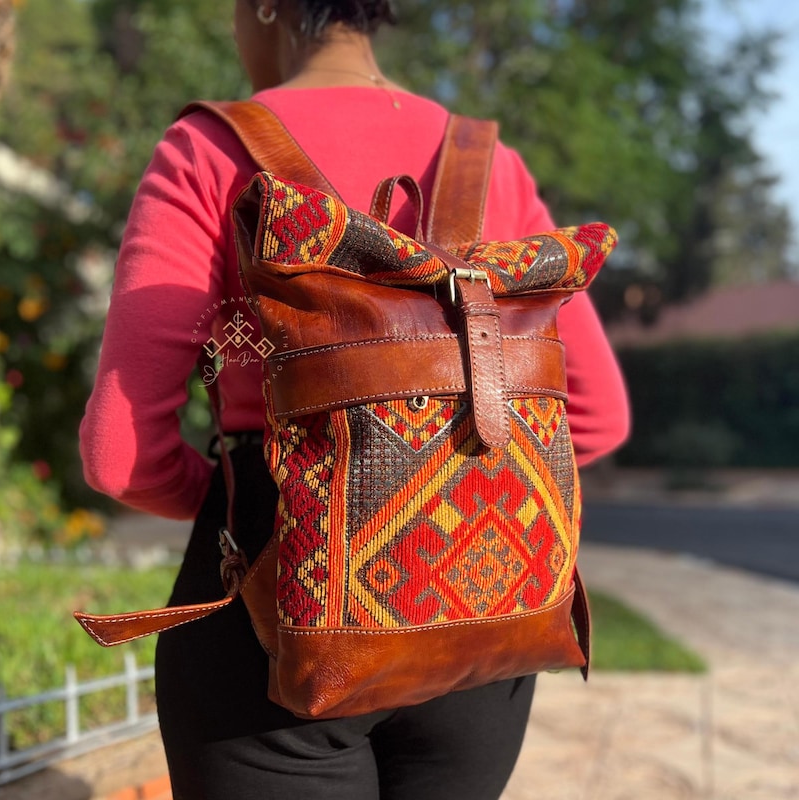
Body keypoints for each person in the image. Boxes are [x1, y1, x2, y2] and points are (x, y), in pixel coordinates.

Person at [79, 1, 630, 798]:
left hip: (271, 625)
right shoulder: (488, 157)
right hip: (481, 610)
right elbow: (600, 416)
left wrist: (256, 498)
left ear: (264, 4)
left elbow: (120, 455)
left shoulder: (207, 148)